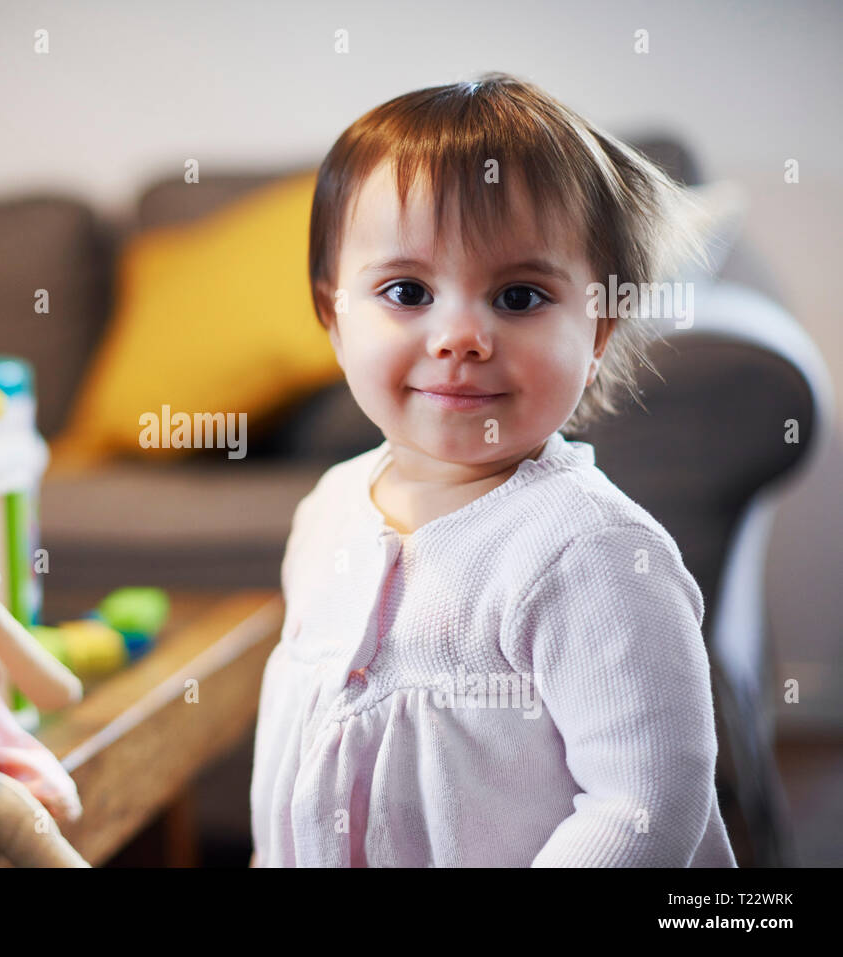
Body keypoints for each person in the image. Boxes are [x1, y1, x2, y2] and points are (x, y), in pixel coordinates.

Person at [249, 72, 737, 867]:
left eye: (518, 296)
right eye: (407, 291)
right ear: (333, 316)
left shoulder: (593, 554)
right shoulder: (330, 507)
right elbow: (301, 746)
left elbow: (644, 804)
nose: (460, 336)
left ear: (600, 326)